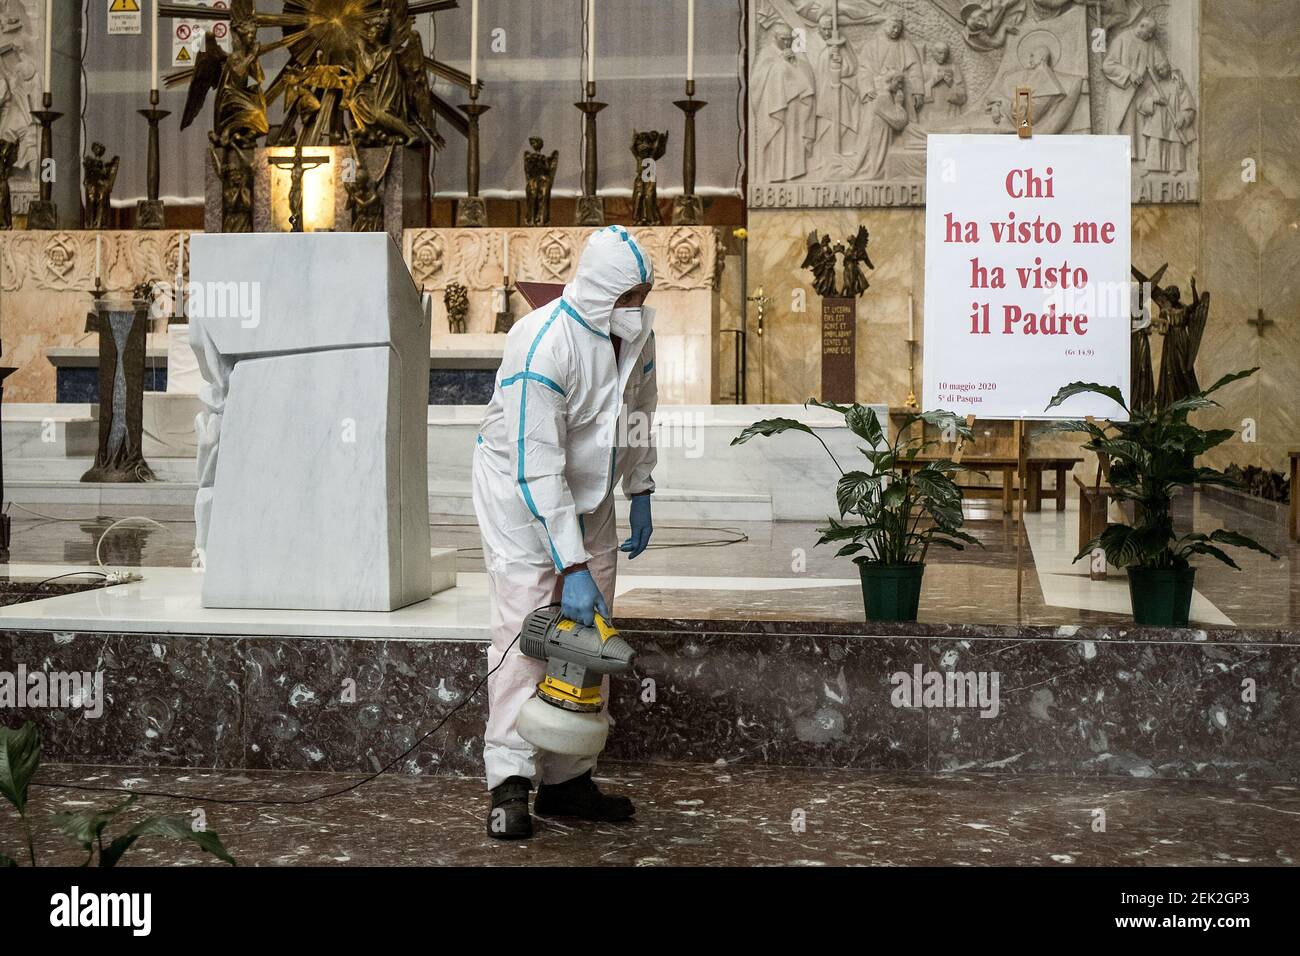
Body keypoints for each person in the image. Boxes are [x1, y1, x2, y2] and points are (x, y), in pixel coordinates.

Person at [472, 227, 659, 840]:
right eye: (633, 295)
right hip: (522, 495)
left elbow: (638, 411)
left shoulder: (632, 332)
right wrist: (570, 567)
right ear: (606, 293)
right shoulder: (542, 345)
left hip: (592, 491)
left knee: (588, 635)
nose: (642, 305)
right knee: (526, 630)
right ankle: (510, 782)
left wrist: (641, 488)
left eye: (646, 294)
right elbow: (536, 467)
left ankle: (569, 778)